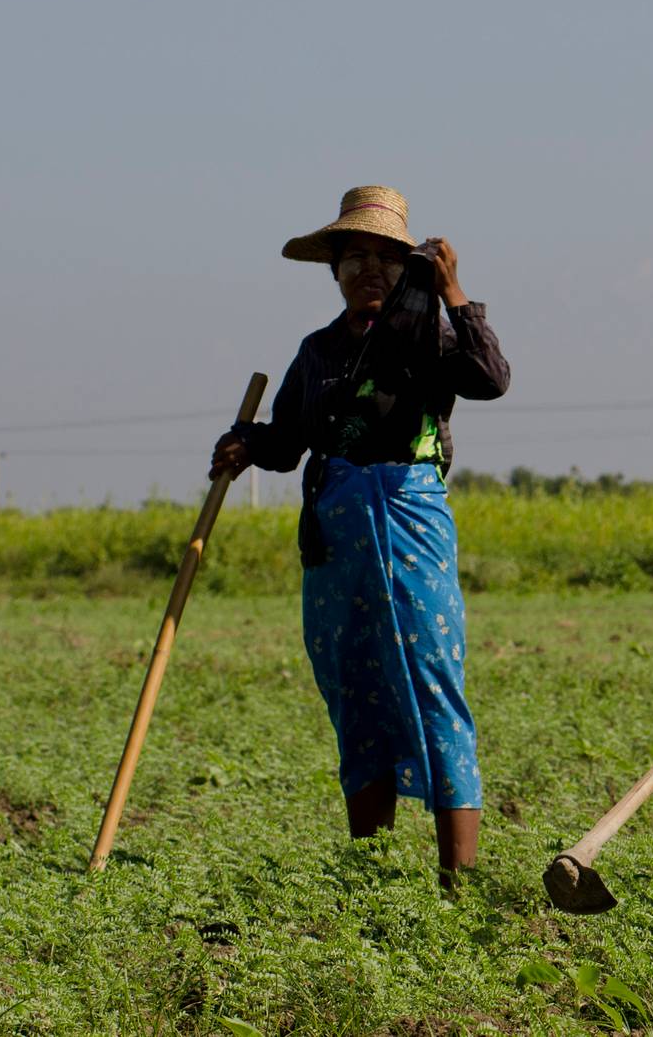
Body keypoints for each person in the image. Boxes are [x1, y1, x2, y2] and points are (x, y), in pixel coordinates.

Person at [208, 186, 510, 889]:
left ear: (407, 269)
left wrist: (455, 291)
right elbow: (288, 443)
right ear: (335, 270)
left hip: (411, 523)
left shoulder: (431, 335)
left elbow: (492, 378)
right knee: (354, 688)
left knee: (432, 681)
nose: (370, 269)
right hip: (336, 542)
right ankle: (369, 877)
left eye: (385, 258)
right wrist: (244, 443)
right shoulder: (315, 353)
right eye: (356, 257)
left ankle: (457, 885)